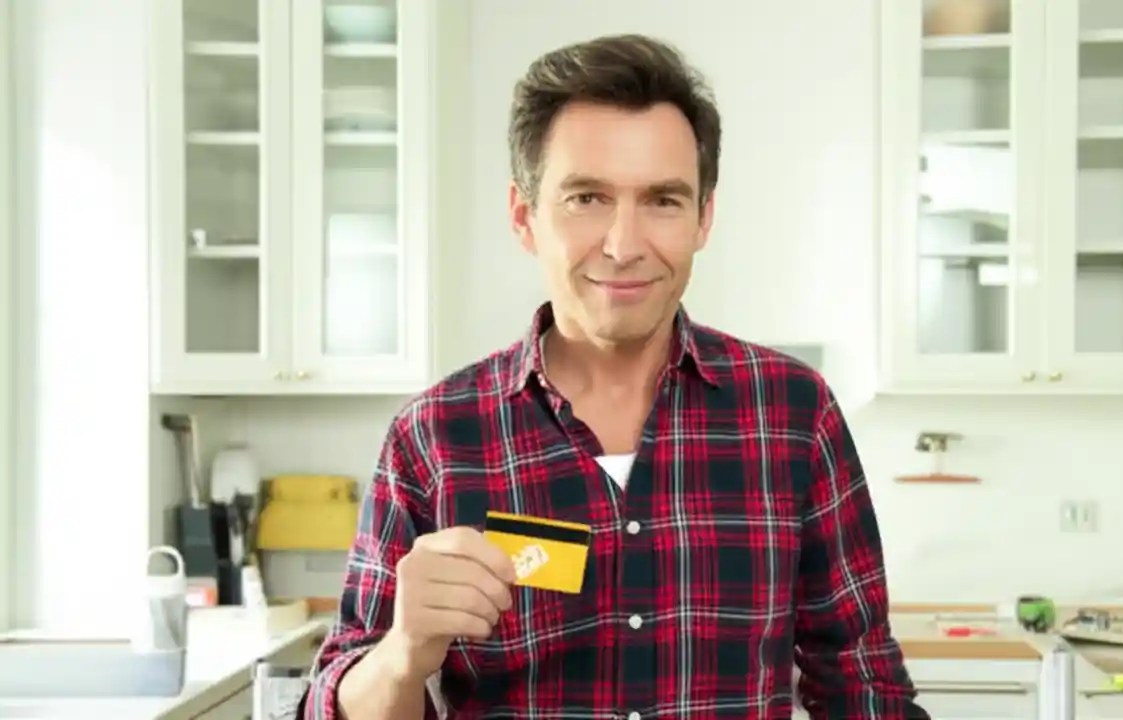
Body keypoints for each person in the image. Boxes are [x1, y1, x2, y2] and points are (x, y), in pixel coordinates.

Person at [304, 33, 927, 720]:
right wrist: (401, 654)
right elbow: (332, 700)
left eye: (662, 200)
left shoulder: (792, 414)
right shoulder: (432, 437)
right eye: (587, 199)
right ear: (524, 216)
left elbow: (864, 687)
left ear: (702, 219)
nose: (625, 245)